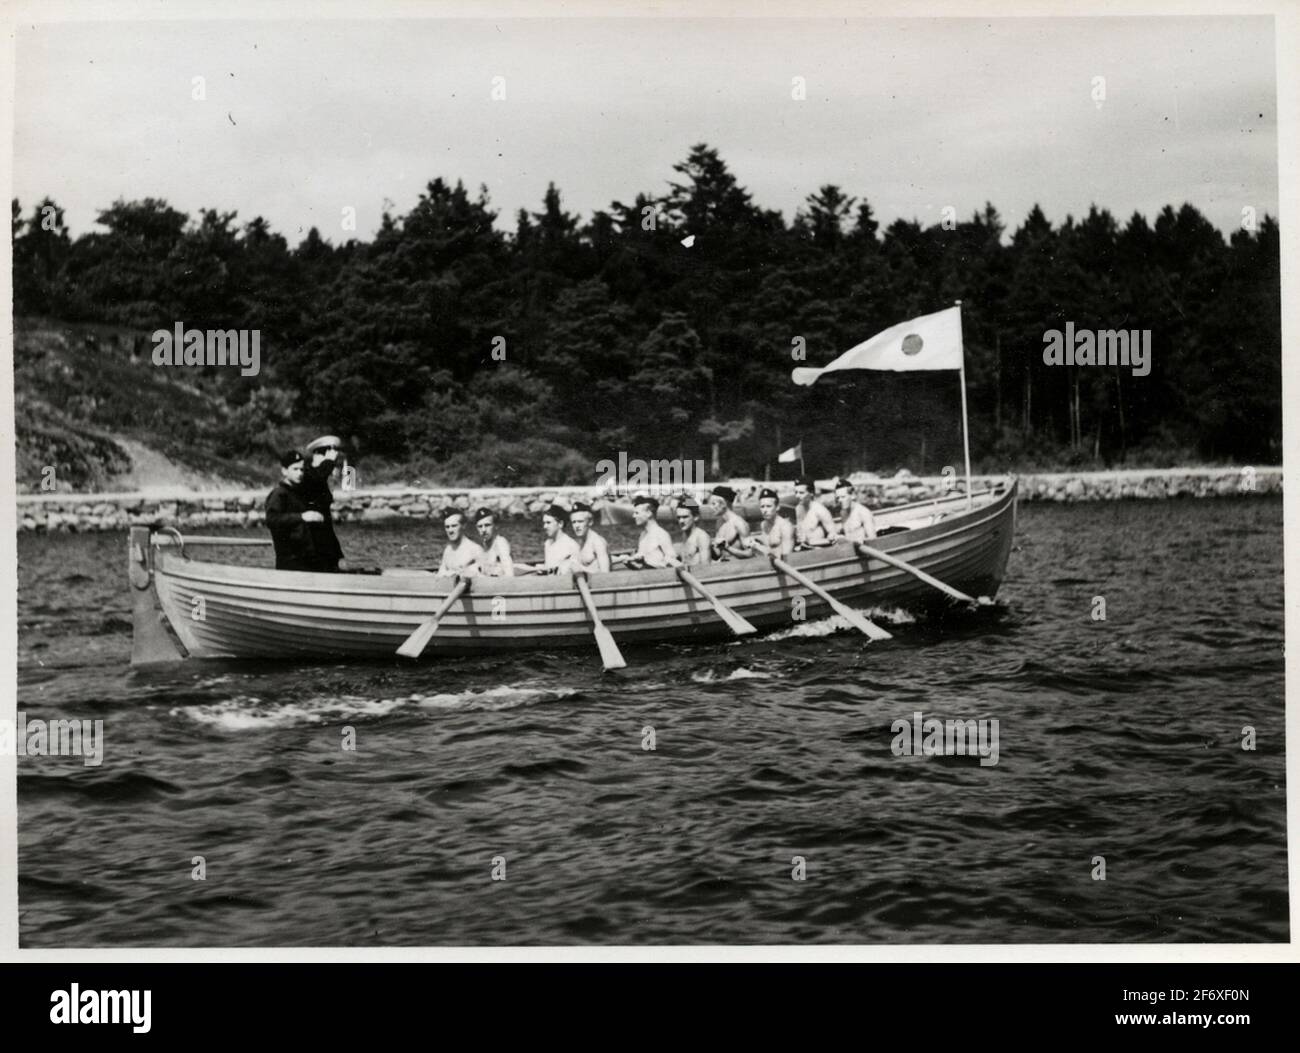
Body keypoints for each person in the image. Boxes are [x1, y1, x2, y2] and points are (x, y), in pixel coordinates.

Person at [265, 449, 333, 571]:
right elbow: (271, 519)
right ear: (285, 471)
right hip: (290, 562)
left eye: (301, 469)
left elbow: (318, 482)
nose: (300, 473)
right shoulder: (279, 494)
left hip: (308, 560)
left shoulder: (301, 493)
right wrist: (302, 517)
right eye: (295, 469)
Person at [300, 434, 346, 572]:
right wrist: (329, 462)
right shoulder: (306, 475)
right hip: (308, 544)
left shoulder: (320, 478)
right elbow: (317, 477)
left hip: (324, 540)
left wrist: (339, 555)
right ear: (318, 455)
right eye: (332, 461)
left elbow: (327, 525)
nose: (332, 467)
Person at [624, 495, 680, 569]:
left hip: (661, 577)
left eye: (637, 513)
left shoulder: (661, 534)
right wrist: (631, 563)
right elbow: (643, 564)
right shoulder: (642, 535)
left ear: (649, 513)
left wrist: (647, 563)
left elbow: (673, 561)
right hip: (647, 576)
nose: (633, 516)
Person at [708, 485, 752, 560]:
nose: (711, 507)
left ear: (724, 504)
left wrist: (728, 547)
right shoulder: (720, 522)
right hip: (723, 566)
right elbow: (718, 553)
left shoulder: (739, 524)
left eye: (713, 504)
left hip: (739, 568)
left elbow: (750, 553)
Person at [437, 508, 485, 576]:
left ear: (463, 526)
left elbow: (486, 578)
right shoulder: (448, 550)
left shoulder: (475, 549)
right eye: (447, 527)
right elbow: (440, 574)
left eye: (454, 526)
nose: (450, 530)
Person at [793, 475, 837, 548]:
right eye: (796, 492)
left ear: (811, 493)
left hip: (819, 549)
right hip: (803, 548)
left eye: (801, 493)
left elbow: (833, 534)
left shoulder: (820, 510)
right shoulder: (798, 509)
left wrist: (811, 541)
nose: (797, 496)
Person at [570, 501, 611, 573]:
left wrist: (580, 569)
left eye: (580, 521)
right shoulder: (580, 542)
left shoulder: (598, 543)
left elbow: (605, 574)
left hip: (599, 582)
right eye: (574, 522)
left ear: (590, 522)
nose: (577, 526)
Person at [753, 488, 795, 557]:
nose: (765, 510)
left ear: (777, 507)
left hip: (783, 563)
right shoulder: (763, 524)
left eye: (768, 506)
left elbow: (787, 555)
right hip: (768, 561)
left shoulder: (785, 527)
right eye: (762, 507)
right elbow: (768, 543)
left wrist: (762, 549)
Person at [540, 504, 582, 573]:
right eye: (544, 523)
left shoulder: (571, 546)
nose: (544, 526)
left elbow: (577, 572)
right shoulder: (547, 543)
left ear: (560, 524)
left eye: (548, 523)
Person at [834, 478, 878, 543]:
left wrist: (846, 540)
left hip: (864, 550)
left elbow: (873, 539)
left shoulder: (863, 513)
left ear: (852, 496)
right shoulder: (843, 513)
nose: (839, 500)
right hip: (849, 549)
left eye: (843, 497)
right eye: (838, 498)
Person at [474, 508, 514, 576]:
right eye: (480, 526)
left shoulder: (500, 544)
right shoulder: (481, 545)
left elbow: (510, 574)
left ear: (496, 526)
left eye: (487, 525)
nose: (483, 530)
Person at [673, 497, 713, 566]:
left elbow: (706, 567)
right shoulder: (685, 534)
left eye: (685, 517)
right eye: (678, 517)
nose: (681, 521)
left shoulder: (701, 537)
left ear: (696, 517)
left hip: (699, 575)